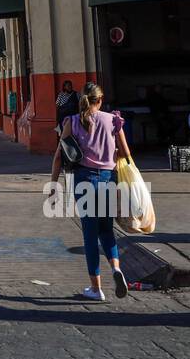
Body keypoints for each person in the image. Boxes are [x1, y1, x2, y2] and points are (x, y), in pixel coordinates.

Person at [50, 82, 133, 301]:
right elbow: (125, 152)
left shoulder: (73, 122)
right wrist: (110, 154)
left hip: (84, 179)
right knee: (106, 230)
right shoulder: (113, 120)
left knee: (90, 234)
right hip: (108, 179)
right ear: (100, 100)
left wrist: (53, 184)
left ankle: (96, 289)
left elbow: (59, 156)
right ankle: (116, 268)